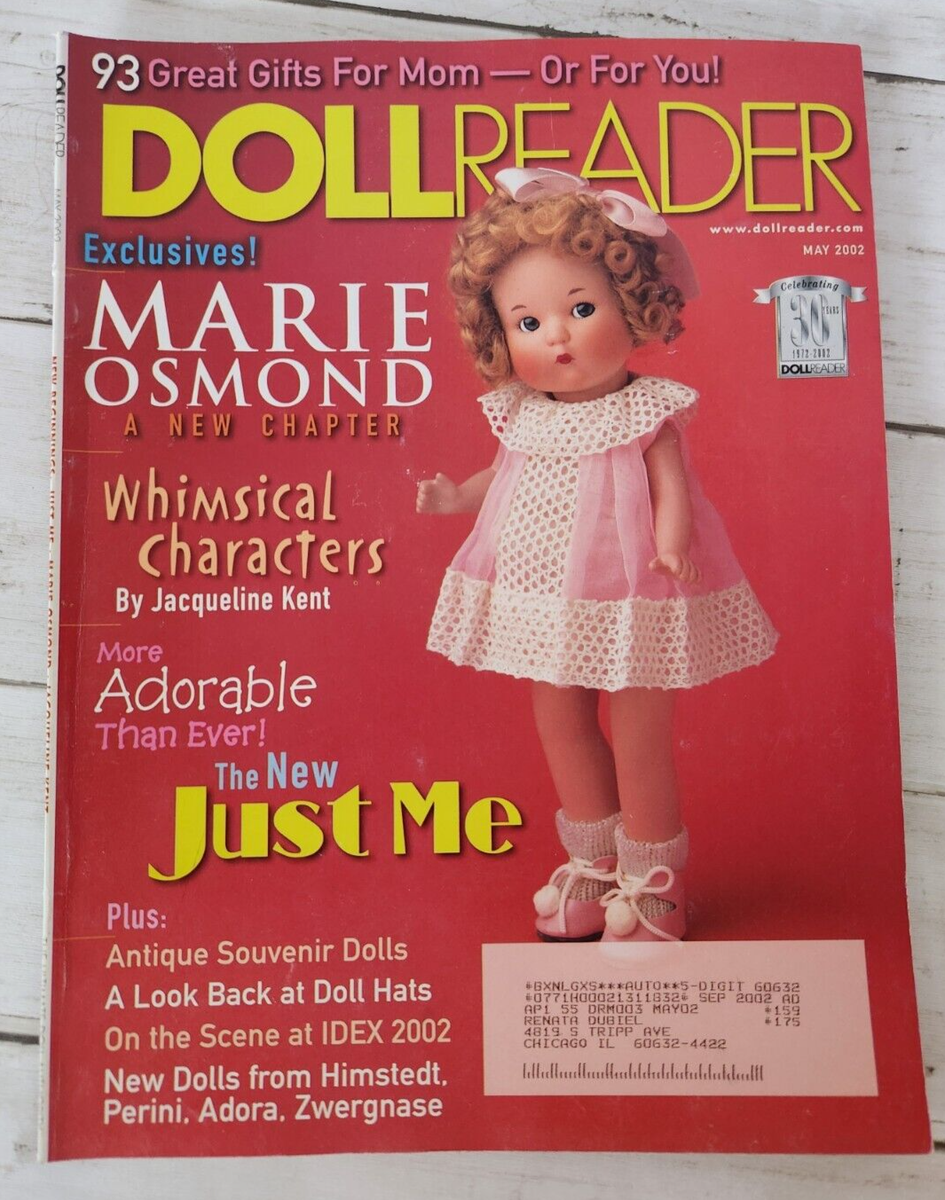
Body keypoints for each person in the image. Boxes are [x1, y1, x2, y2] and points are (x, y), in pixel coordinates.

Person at [417, 168, 777, 943]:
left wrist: (671, 546)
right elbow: (500, 477)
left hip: (634, 597)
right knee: (560, 719)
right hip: (544, 598)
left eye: (580, 309)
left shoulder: (645, 412)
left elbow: (670, 490)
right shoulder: (522, 414)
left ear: (632, 307)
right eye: (527, 322)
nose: (556, 335)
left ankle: (654, 880)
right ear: (499, 335)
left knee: (640, 734)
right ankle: (593, 862)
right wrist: (454, 498)